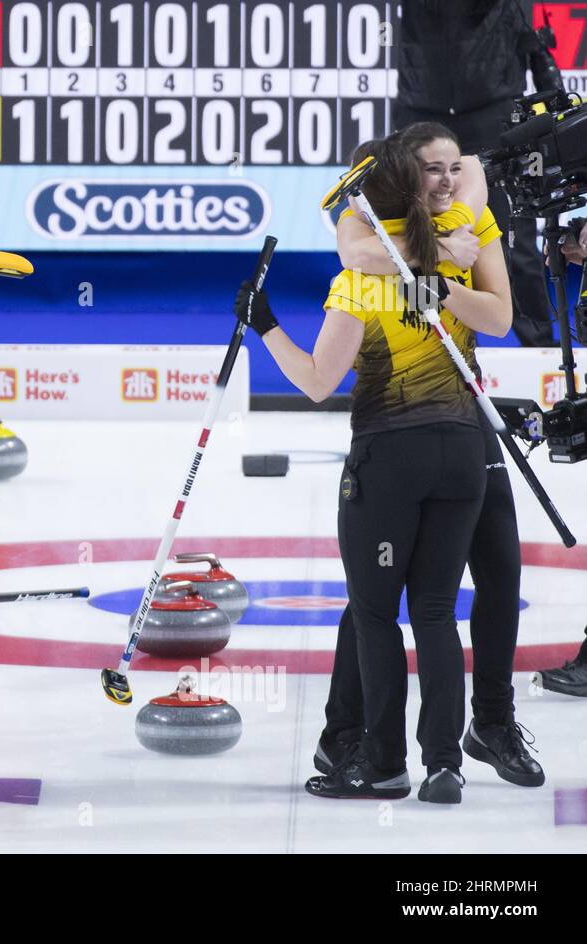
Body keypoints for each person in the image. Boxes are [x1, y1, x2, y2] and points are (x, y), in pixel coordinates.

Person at [239, 129, 512, 803]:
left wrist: (264, 323)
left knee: (372, 613)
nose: (448, 179)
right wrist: (440, 278)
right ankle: (444, 764)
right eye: (434, 170)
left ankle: (383, 764)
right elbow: (491, 307)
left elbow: (314, 381)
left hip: (389, 462)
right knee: (437, 610)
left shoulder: (361, 280)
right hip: (461, 454)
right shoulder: (454, 252)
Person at [326, 124, 545, 788]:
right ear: (402, 173)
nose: (447, 180)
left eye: (454, 168)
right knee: (377, 591)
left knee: (500, 568)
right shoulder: (368, 226)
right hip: (407, 426)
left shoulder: (471, 220)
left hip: (468, 418)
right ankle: (347, 733)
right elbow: (353, 246)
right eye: (431, 170)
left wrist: (444, 282)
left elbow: (501, 318)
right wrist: (422, 251)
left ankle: (492, 723)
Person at [395, 0, 560, 346]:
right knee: (414, 231)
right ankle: (420, 349)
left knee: (513, 236)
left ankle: (542, 354)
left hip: (492, 109)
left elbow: (534, 39)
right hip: (421, 110)